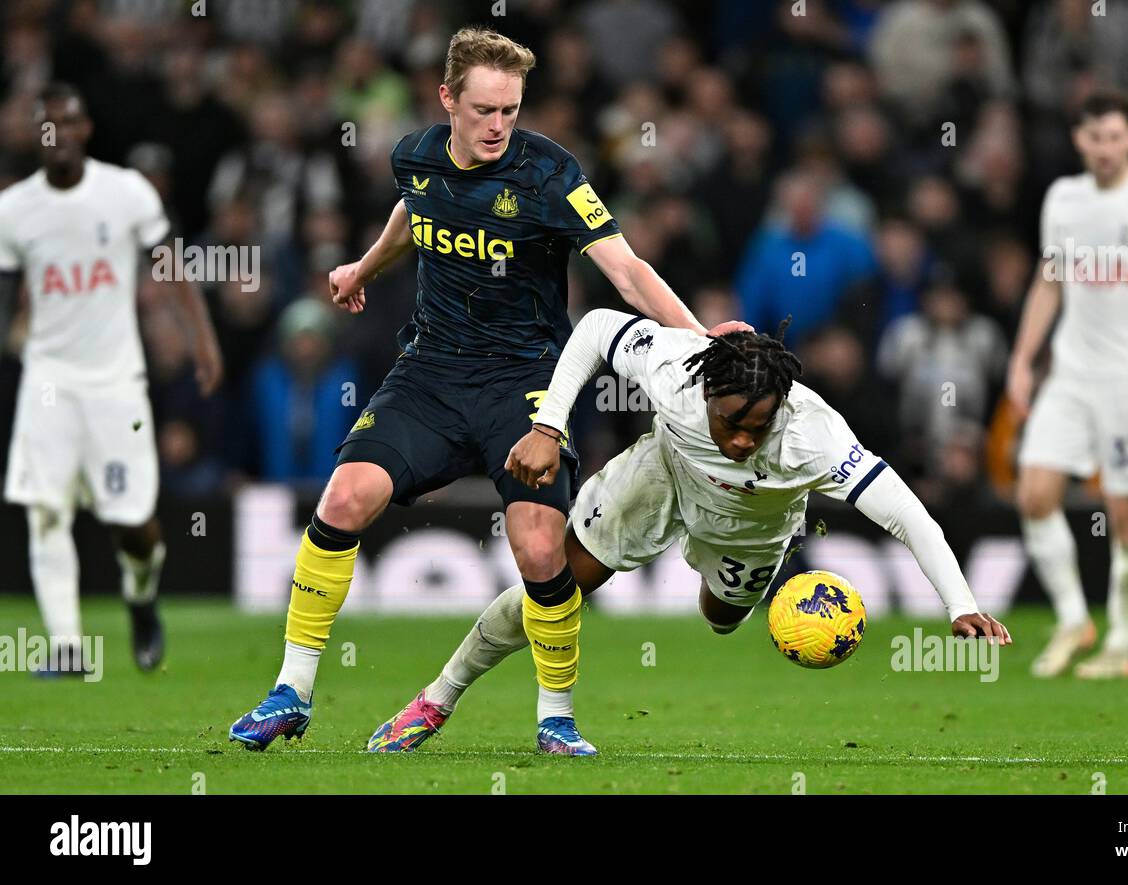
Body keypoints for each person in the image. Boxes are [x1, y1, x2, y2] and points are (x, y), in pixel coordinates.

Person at [228, 28, 745, 752]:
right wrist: (364, 268)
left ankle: (556, 717)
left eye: (512, 109)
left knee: (539, 551)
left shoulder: (549, 173)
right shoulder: (413, 155)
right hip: (432, 371)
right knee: (342, 498)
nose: (501, 124)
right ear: (448, 100)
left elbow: (626, 269)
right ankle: (291, 690)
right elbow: (416, 212)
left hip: (528, 381)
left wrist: (697, 341)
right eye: (485, 110)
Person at [366, 308, 1011, 754]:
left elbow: (907, 515)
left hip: (751, 530)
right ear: (706, 391)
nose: (738, 438)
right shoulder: (678, 368)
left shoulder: (816, 437)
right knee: (557, 585)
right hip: (662, 473)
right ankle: (438, 699)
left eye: (754, 429)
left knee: (719, 618)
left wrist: (961, 605)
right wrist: (548, 426)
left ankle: (732, 583)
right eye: (728, 422)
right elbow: (593, 330)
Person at [0, 83, 224, 675]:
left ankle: (142, 599)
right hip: (47, 376)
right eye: (46, 125)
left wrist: (202, 340)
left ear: (85, 129)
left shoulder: (124, 193)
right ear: (38, 134)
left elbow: (171, 264)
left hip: (116, 381)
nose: (59, 134)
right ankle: (69, 648)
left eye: (68, 122)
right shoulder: (14, 209)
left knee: (133, 524)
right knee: (45, 510)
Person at [1005, 89, 1128, 679]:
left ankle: (1120, 643)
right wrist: (1022, 358)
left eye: (1115, 137)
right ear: (1078, 140)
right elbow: (1050, 281)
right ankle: (1072, 620)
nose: (1105, 148)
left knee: (1124, 513)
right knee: (1034, 495)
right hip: (1070, 374)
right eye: (1095, 137)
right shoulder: (1063, 199)